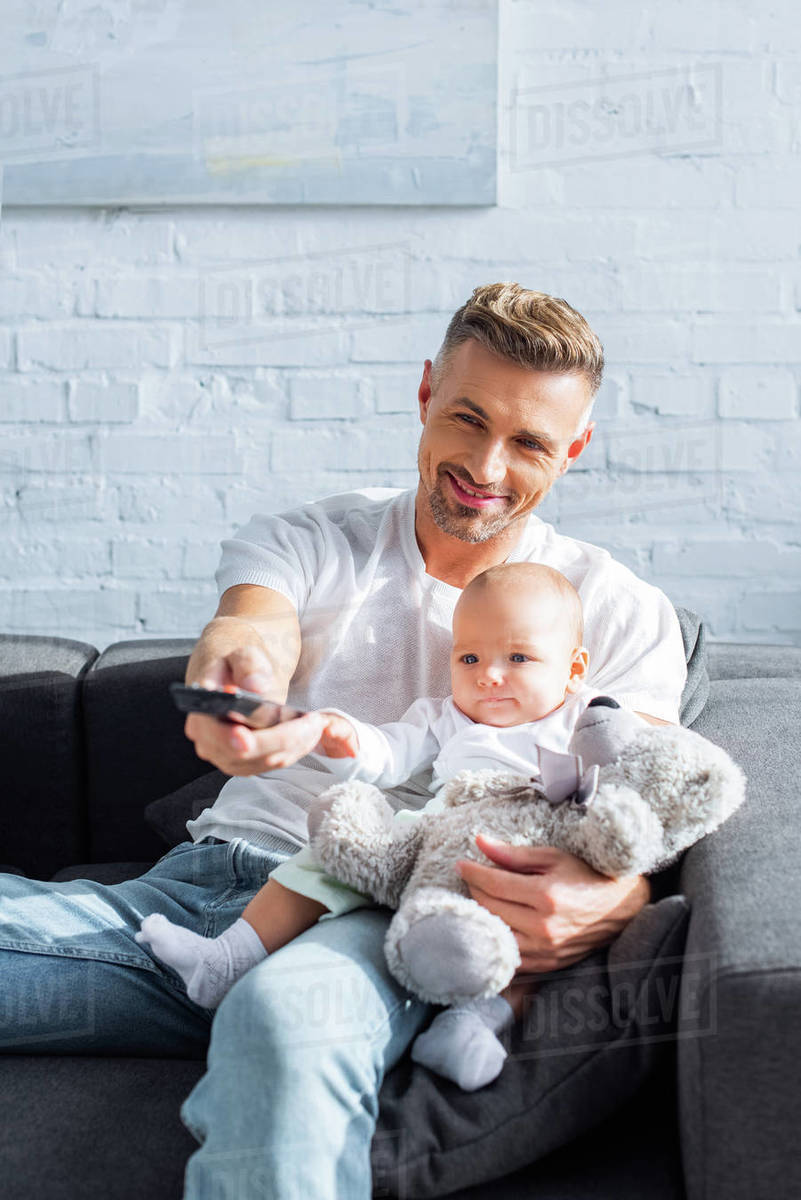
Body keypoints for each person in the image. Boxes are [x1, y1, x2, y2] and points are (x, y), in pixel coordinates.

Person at [0, 283, 686, 1199]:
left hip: (389, 914)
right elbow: (252, 630)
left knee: (285, 1027)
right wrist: (232, 691)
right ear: (423, 395)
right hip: (205, 890)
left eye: (527, 442)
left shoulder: (620, 611)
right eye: (465, 418)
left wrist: (619, 893)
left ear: (575, 448)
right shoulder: (315, 538)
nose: (485, 464)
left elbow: (642, 797)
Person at [136, 561, 632, 1092]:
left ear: (574, 667)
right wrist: (338, 734)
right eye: (470, 657)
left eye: (518, 657)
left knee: (525, 938)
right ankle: (228, 958)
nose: (489, 675)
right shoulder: (448, 717)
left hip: (529, 847)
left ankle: (473, 1027)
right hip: (440, 834)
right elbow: (389, 752)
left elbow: (622, 776)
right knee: (331, 852)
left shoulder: (584, 717)